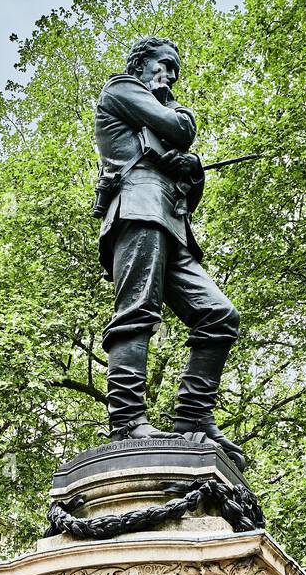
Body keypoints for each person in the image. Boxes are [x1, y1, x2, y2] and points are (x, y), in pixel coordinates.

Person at [93, 36, 244, 467]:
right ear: (141, 63)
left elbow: (187, 190)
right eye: (165, 64)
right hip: (137, 211)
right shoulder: (121, 90)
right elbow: (180, 129)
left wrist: (192, 169)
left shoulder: (156, 118)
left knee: (219, 315)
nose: (171, 74)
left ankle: (193, 418)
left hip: (172, 225)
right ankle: (126, 422)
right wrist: (180, 123)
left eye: (176, 69)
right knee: (137, 312)